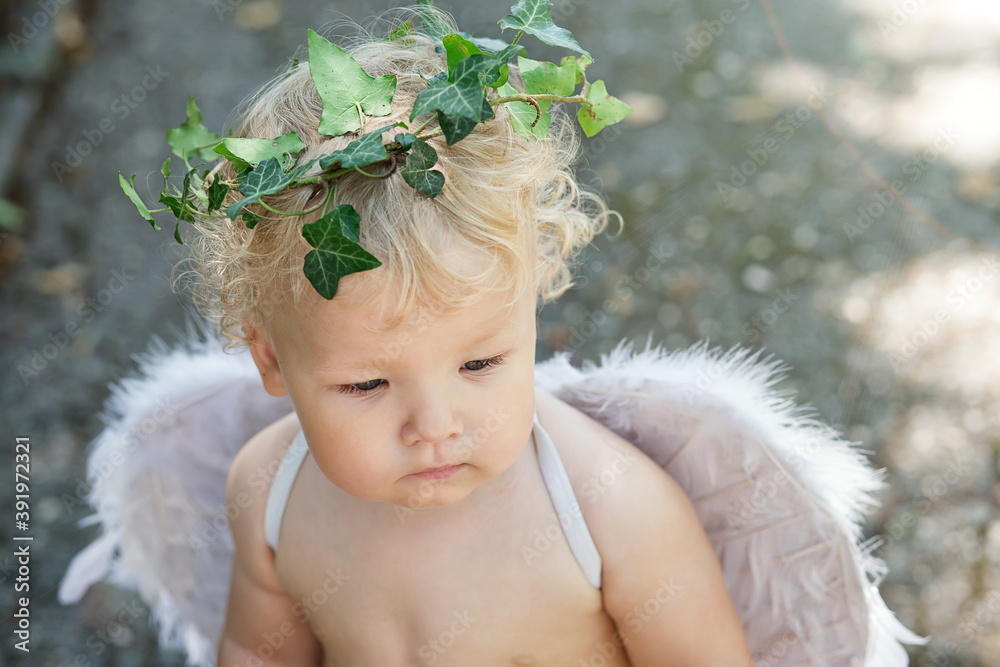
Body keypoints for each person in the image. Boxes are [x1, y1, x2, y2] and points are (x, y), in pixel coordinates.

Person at [200, 9, 756, 667]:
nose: (434, 425)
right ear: (271, 359)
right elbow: (257, 650)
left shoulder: (610, 511)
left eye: (480, 361)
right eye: (368, 383)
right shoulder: (270, 492)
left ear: (531, 308)